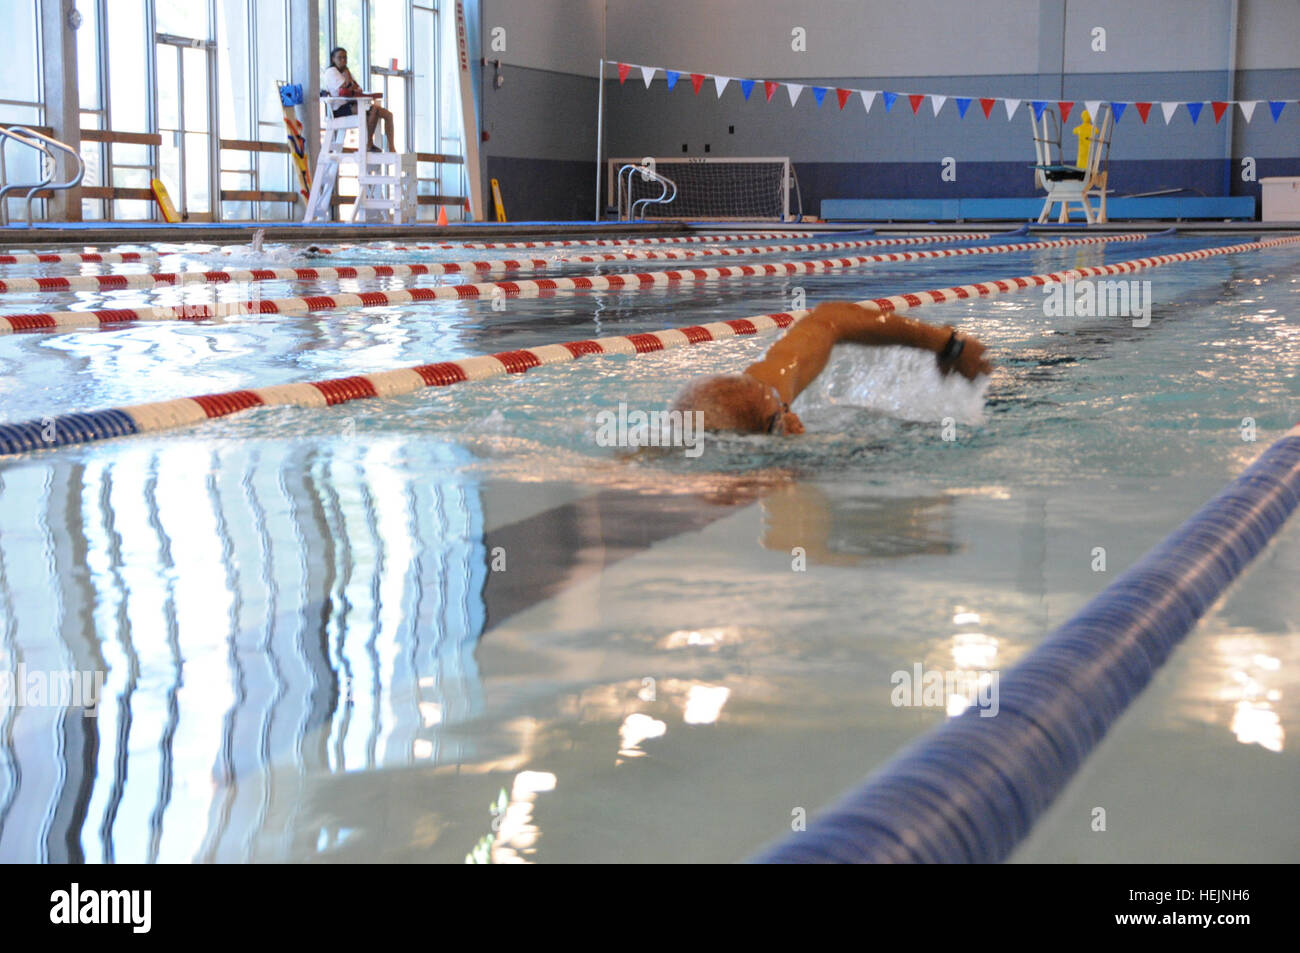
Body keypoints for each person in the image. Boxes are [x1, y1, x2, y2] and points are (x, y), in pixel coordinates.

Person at [670, 300, 993, 434]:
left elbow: (829, 320)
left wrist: (948, 344)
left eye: (783, 408)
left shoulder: (752, 396)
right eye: (777, 418)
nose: (791, 417)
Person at [322, 46, 395, 152]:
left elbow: (358, 88)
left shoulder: (345, 72)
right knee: (372, 110)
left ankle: (391, 147)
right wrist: (348, 77)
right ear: (333, 59)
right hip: (339, 109)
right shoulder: (331, 71)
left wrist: (350, 83)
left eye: (345, 58)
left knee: (388, 115)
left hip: (353, 104)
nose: (343, 60)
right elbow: (346, 88)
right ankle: (369, 143)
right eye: (340, 58)